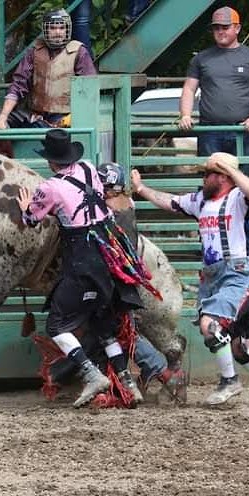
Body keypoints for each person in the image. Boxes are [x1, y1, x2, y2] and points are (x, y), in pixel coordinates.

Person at [130, 153, 249, 406]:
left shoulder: (239, 199)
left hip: (240, 275)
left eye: (208, 174)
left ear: (224, 176)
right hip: (215, 277)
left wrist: (229, 170)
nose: (203, 179)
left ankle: (229, 382)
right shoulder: (200, 202)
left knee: (210, 324)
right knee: (239, 344)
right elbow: (171, 202)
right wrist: (141, 188)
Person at [16, 130, 155, 408]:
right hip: (107, 253)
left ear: (51, 161)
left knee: (56, 324)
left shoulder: (50, 187)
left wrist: (24, 207)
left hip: (82, 256)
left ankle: (92, 374)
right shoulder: (89, 168)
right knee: (104, 326)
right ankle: (128, 383)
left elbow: (31, 219)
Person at [97, 161, 188, 403]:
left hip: (117, 279)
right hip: (127, 278)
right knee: (122, 330)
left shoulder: (108, 210)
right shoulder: (127, 204)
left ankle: (161, 372)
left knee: (120, 331)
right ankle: (152, 374)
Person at [0, 9, 97, 157]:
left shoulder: (79, 52)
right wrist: (3, 117)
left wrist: (73, 116)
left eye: (62, 27)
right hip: (34, 116)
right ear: (45, 29)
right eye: (53, 27)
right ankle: (6, 159)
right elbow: (18, 85)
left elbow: (90, 91)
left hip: (64, 118)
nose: (58, 32)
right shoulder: (35, 51)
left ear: (67, 29)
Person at [178, 7, 249, 174]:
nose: (220, 31)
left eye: (225, 27)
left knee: (244, 181)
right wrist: (185, 115)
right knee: (211, 181)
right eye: (216, 28)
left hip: (243, 131)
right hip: (209, 131)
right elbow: (189, 88)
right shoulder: (201, 58)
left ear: (237, 28)